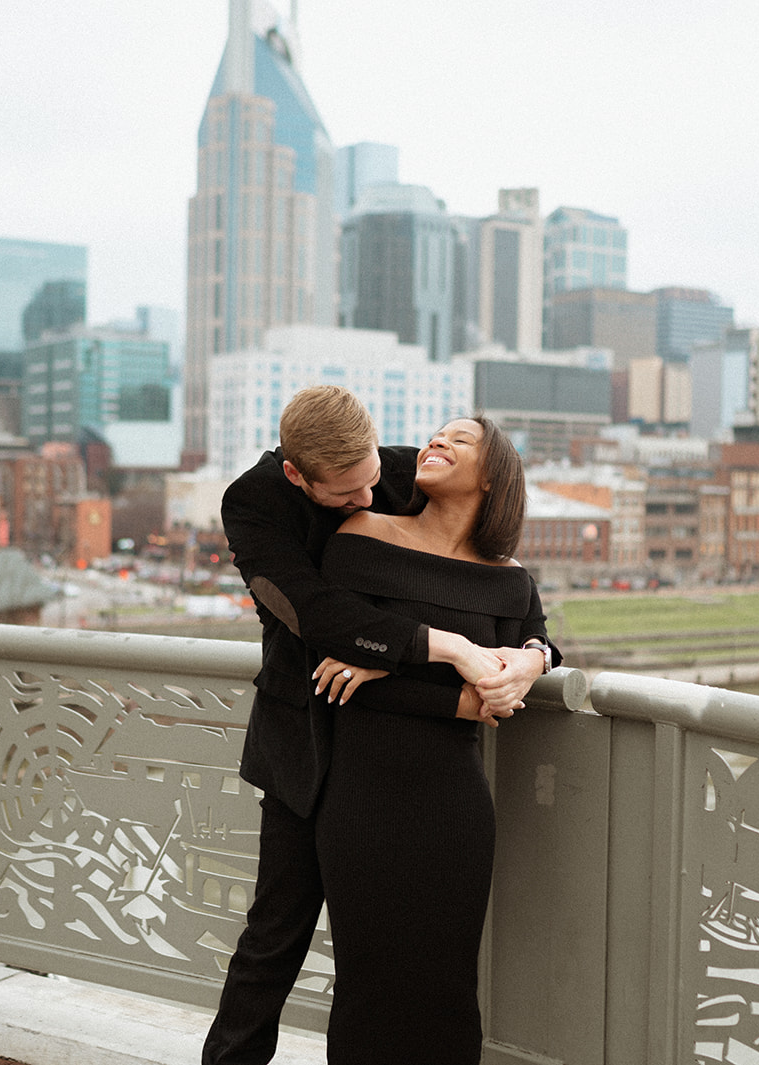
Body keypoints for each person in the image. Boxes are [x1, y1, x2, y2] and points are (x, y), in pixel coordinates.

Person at [203, 388, 552, 1065]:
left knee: (431, 963)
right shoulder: (253, 504)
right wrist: (446, 649)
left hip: (410, 764)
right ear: (299, 478)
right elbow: (319, 616)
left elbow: (510, 601)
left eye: (372, 481)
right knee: (274, 939)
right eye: (346, 495)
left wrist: (536, 656)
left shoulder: (399, 468)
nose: (368, 499)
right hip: (305, 743)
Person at [306, 414, 544, 1063]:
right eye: (435, 434)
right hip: (360, 794)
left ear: (493, 476)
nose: (435, 441)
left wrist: (530, 660)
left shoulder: (508, 578)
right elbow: (328, 664)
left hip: (453, 806)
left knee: (446, 982)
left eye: (458, 438)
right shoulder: (360, 535)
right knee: (367, 977)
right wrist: (457, 698)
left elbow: (532, 649)